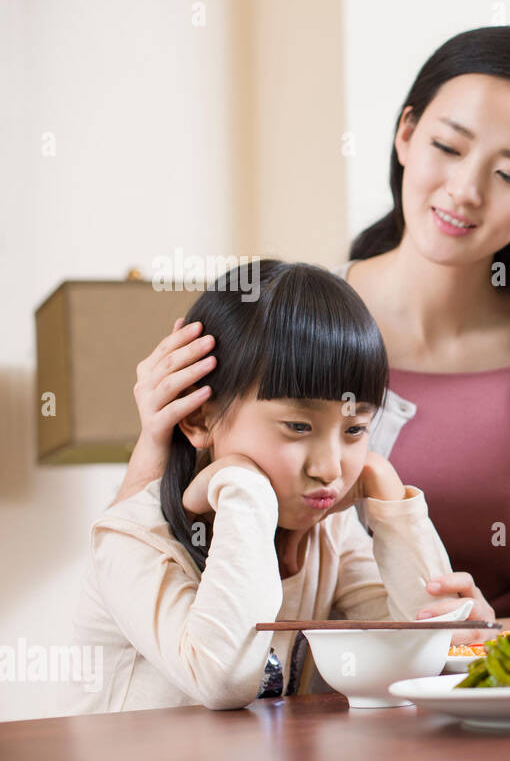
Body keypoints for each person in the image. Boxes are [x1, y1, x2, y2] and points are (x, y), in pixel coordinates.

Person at [114, 27, 510, 646]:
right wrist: (152, 443)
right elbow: (165, 564)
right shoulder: (288, 326)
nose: (465, 190)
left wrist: (501, 644)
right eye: (447, 147)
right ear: (406, 134)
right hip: (323, 700)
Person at [70, 261, 460, 713]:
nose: (329, 468)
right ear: (200, 418)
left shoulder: (329, 534)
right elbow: (223, 679)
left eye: (354, 430)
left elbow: (421, 657)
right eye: (297, 425)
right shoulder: (130, 538)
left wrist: (386, 488)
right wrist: (244, 488)